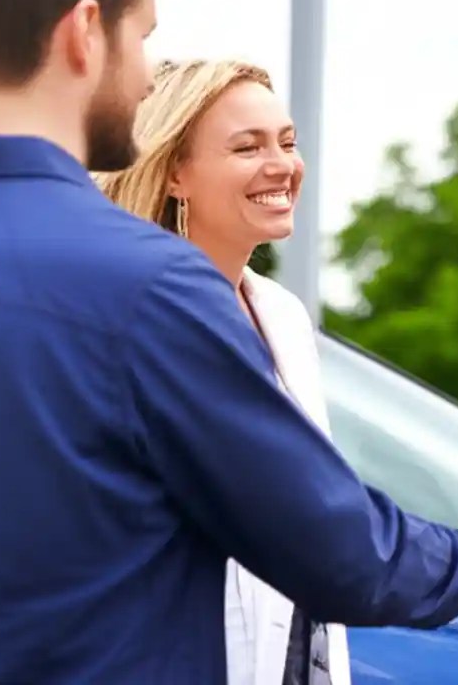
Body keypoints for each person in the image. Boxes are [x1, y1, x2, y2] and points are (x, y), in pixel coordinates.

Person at [0, 0, 458, 682]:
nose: (145, 77)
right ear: (84, 33)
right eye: (142, 35)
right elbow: (335, 549)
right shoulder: (150, 288)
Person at [95, 58, 349, 685]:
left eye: (287, 142)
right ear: (176, 171)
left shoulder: (283, 317)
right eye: (247, 146)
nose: (282, 165)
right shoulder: (124, 320)